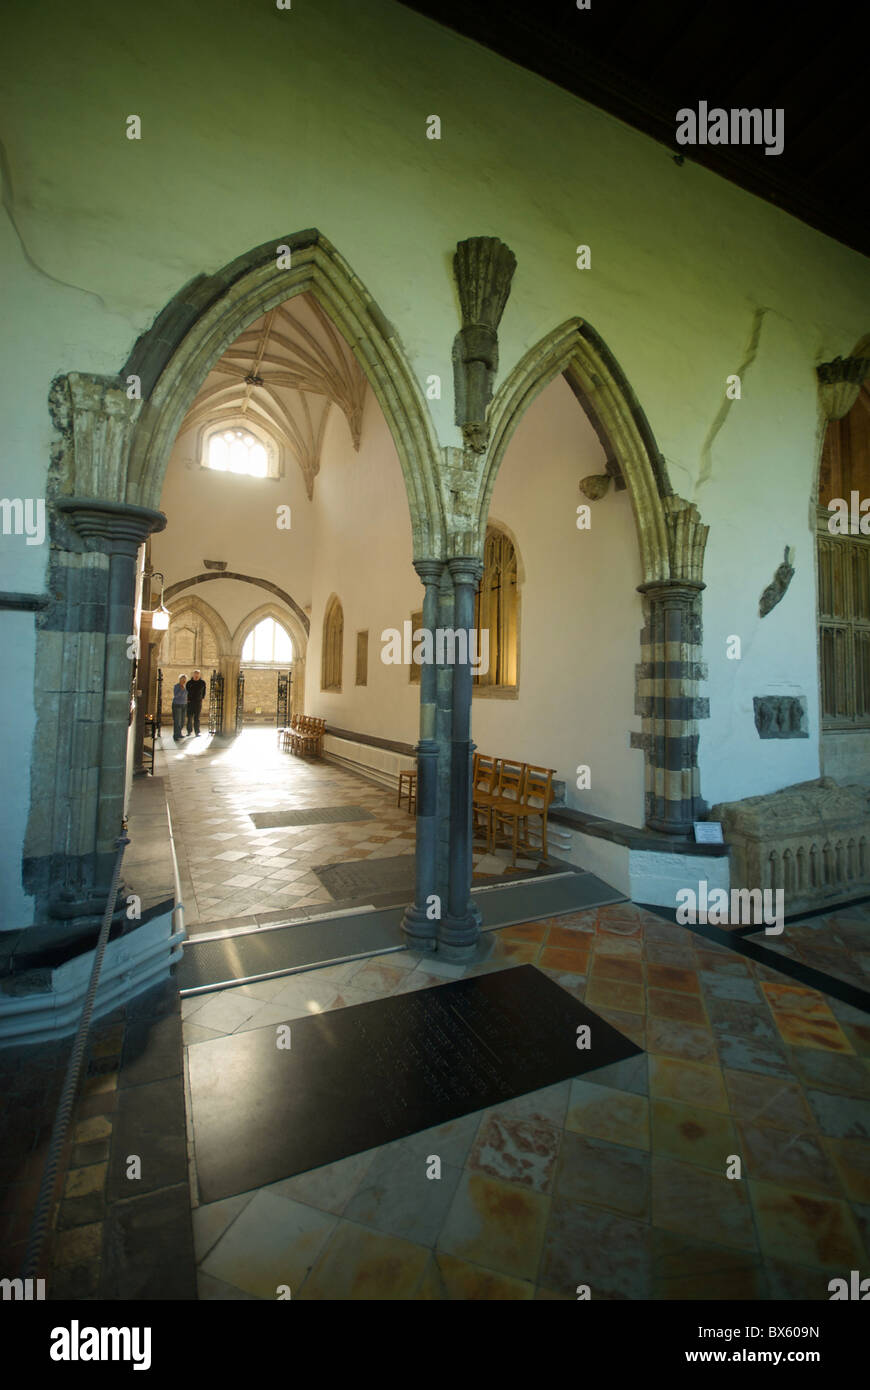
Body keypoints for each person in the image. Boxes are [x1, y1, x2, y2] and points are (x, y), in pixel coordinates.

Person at [186, 669, 207, 736]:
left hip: (198, 703)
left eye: (198, 674)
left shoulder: (202, 682)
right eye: (195, 674)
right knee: (189, 718)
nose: (196, 675)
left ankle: (197, 732)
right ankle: (189, 731)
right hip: (190, 702)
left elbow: (204, 692)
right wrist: (187, 699)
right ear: (193, 675)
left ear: (199, 675)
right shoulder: (189, 683)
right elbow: (186, 692)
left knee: (197, 718)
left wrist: (201, 698)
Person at [172, 675, 187, 741]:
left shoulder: (185, 687)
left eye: (185, 679)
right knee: (177, 721)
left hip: (184, 705)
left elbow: (187, 695)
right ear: (180, 679)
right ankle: (175, 735)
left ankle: (179, 733)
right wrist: (181, 690)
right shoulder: (176, 686)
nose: (183, 680)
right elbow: (176, 695)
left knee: (182, 721)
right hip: (177, 705)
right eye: (182, 679)